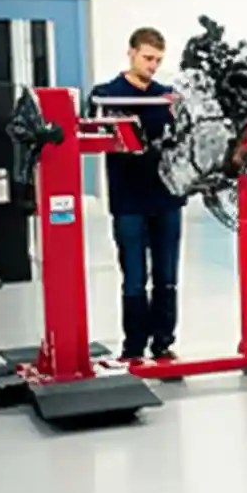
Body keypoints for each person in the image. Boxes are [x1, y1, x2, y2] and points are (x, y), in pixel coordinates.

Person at [90, 27, 186, 362]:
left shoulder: (167, 97)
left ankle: (162, 343)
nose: (153, 66)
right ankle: (133, 348)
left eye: (158, 60)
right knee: (134, 278)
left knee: (167, 277)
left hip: (167, 198)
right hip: (128, 200)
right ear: (130, 53)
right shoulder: (106, 95)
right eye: (147, 58)